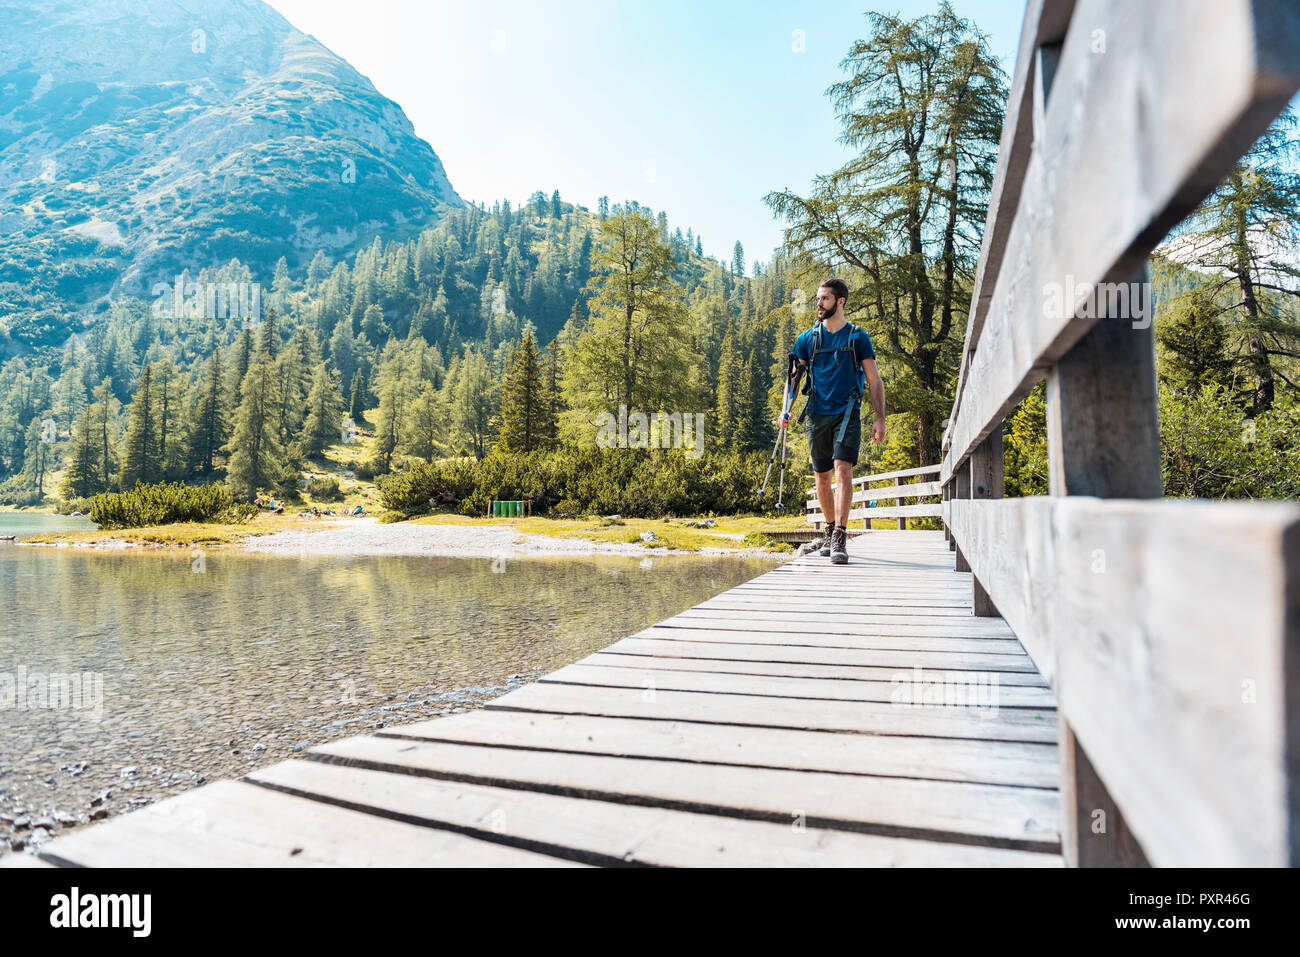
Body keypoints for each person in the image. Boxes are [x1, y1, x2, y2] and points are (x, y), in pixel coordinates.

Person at [780, 278, 885, 564]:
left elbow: (874, 380)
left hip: (847, 413)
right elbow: (793, 378)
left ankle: (840, 535)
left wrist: (879, 418)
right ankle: (828, 530)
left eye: (825, 299)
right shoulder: (807, 339)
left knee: (843, 470)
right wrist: (785, 408)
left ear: (840, 302)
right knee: (822, 478)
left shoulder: (858, 337)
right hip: (816, 415)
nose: (819, 303)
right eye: (818, 298)